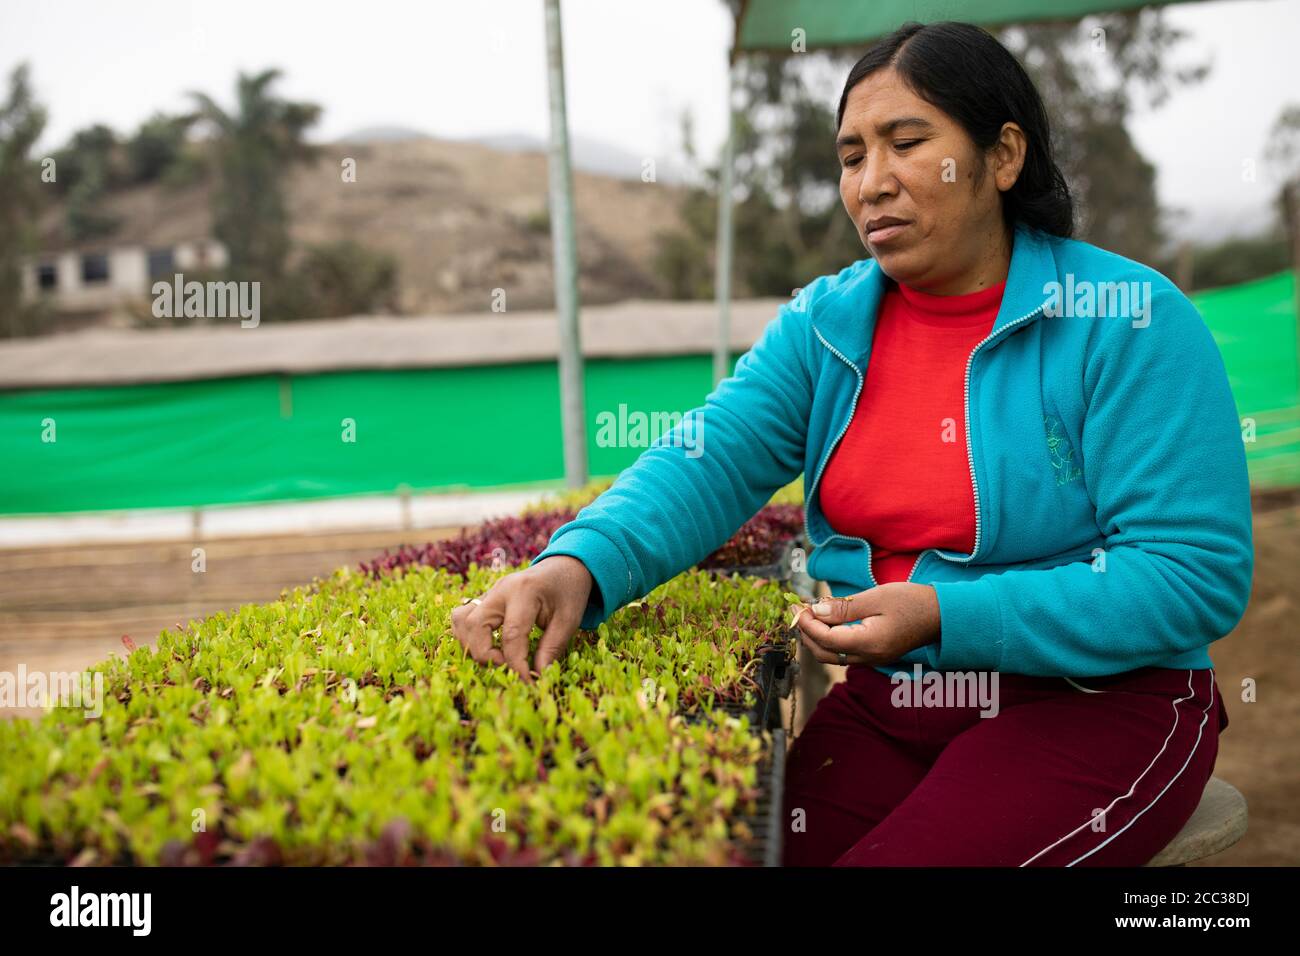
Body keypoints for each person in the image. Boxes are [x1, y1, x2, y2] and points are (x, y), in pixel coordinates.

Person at [451, 20, 1253, 866]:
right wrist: (573, 565)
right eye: (851, 155)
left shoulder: (1125, 318)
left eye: (906, 143)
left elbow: (1190, 574)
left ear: (1003, 156)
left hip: (1098, 705)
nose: (872, 183)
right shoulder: (826, 325)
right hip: (892, 702)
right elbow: (709, 458)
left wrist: (945, 615)